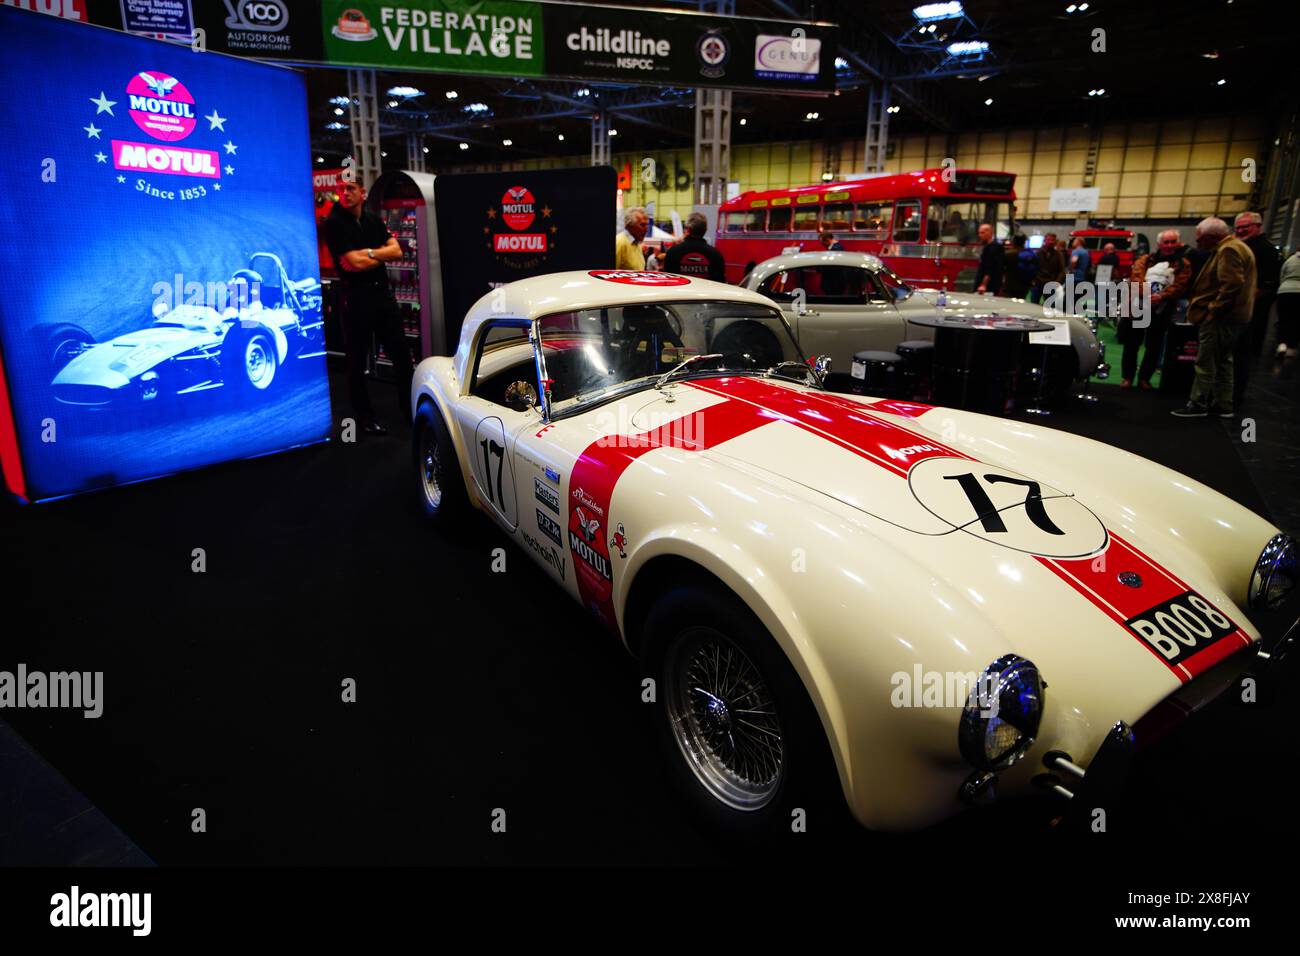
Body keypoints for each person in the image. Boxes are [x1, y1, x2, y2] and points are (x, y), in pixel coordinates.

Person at [323, 177, 412, 436]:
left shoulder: (372, 219)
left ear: (362, 192)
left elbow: (397, 251)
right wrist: (376, 254)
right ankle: (364, 418)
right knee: (356, 362)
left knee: (403, 359)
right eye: (341, 189)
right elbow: (354, 264)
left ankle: (409, 411)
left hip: (383, 296)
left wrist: (368, 253)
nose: (345, 193)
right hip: (355, 298)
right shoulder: (335, 223)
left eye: (350, 188)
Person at [1171, 217, 1256, 418]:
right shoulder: (1237, 247)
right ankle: (1223, 404)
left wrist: (1213, 310)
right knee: (1224, 360)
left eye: (1200, 239)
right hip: (1233, 317)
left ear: (1212, 237)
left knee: (1206, 361)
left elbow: (1232, 284)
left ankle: (1198, 403)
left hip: (1222, 317)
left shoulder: (1228, 249)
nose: (1198, 244)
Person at [1119, 230, 1191, 389]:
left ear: (1178, 243)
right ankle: (1127, 377)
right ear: (1160, 244)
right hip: (1139, 307)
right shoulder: (1145, 259)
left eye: (1173, 242)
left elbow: (1180, 284)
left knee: (1154, 346)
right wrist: (1147, 294)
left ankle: (1145, 378)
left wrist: (1162, 296)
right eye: (1166, 242)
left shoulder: (1183, 264)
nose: (1170, 245)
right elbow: (1136, 277)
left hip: (1162, 310)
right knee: (1132, 344)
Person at [663, 212, 726, 281]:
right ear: (705, 230)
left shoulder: (673, 252)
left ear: (688, 229)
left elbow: (668, 280)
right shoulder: (715, 254)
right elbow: (720, 282)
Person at [1277, 247, 1300, 358]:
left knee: (1284, 319)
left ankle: (1282, 344)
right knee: (1296, 320)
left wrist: (1283, 286)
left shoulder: (1290, 260)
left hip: (1285, 291)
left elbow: (1282, 274)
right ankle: (1292, 345)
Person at [1029, 233, 1065, 303]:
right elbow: (1032, 268)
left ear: (1055, 242)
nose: (1051, 242)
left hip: (1051, 284)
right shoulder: (1037, 253)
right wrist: (1032, 280)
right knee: (1033, 304)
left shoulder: (1059, 255)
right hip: (1038, 283)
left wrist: (1057, 282)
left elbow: (1061, 270)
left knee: (1049, 307)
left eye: (1053, 240)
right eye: (1049, 240)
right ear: (1045, 241)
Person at [1000, 235, 1037, 299]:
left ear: (1014, 242)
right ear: (1024, 243)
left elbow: (1001, 269)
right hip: (1024, 285)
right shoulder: (1030, 254)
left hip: (1010, 284)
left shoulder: (1008, 254)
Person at [973, 223, 1002, 294]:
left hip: (989, 286)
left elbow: (990, 268)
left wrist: (983, 284)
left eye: (982, 233)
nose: (980, 235)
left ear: (990, 233)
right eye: (979, 233)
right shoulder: (988, 247)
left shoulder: (993, 248)